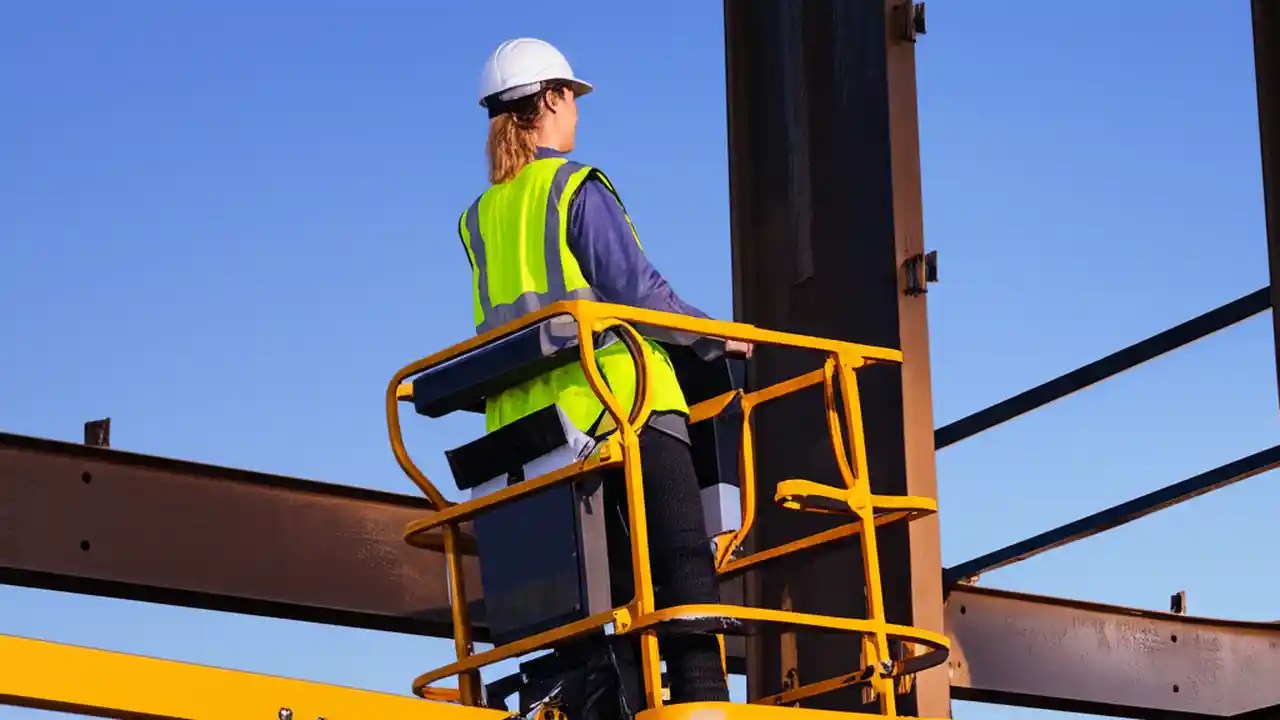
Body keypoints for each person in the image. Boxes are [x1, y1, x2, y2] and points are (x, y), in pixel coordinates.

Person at [459, 38, 746, 713]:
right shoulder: (571, 188)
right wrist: (719, 338)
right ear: (553, 99)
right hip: (623, 407)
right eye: (572, 100)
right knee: (682, 577)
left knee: (587, 609)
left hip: (531, 442)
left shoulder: (481, 218)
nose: (576, 115)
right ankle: (702, 701)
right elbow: (638, 295)